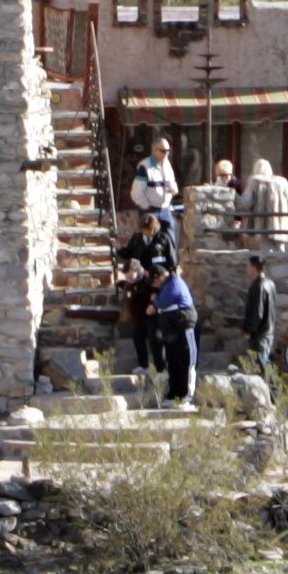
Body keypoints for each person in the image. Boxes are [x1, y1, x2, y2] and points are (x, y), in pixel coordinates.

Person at [116, 211, 173, 373]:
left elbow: (171, 262)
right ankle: (144, 365)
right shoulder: (137, 238)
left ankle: (161, 367)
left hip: (156, 288)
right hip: (140, 287)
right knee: (138, 333)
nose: (146, 233)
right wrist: (115, 243)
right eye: (144, 230)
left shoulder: (163, 240)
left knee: (156, 335)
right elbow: (125, 253)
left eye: (148, 229)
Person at [152, 264, 199, 403]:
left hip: (183, 326)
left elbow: (161, 302)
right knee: (173, 362)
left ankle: (186, 396)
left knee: (187, 362)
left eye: (155, 282)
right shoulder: (167, 284)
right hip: (172, 329)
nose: (155, 285)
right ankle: (175, 394)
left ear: (160, 277)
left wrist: (154, 299)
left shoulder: (174, 283)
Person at [130, 134, 181, 231]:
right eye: (163, 151)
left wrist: (173, 189)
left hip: (165, 209)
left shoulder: (167, 165)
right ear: (154, 150)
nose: (166, 154)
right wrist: (146, 207)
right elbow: (136, 192)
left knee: (170, 240)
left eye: (168, 151)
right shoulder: (144, 167)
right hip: (150, 210)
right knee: (149, 242)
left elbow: (172, 184)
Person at [239, 253, 276, 371]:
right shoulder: (270, 283)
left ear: (254, 268)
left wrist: (248, 330)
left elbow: (257, 311)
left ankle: (273, 389)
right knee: (263, 361)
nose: (246, 269)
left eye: (248, 266)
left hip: (259, 332)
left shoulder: (258, 285)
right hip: (268, 330)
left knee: (262, 363)